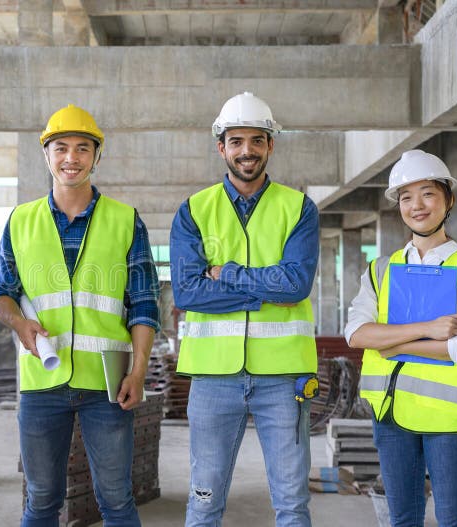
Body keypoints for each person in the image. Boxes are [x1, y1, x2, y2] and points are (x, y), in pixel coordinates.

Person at [0, 104, 160, 526]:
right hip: (42, 382)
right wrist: (18, 322)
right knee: (42, 500)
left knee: (117, 499)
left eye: (83, 148)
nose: (71, 158)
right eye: (61, 147)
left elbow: (144, 304)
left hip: (108, 383)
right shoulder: (20, 221)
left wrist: (137, 373)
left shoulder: (125, 220)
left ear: (96, 157)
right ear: (46, 155)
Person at [170, 92, 320, 527]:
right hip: (214, 378)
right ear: (222, 147)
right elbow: (187, 292)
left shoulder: (299, 209)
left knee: (293, 504)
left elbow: (295, 284)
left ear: (271, 145)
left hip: (283, 378)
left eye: (256, 140)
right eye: (236, 141)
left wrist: (228, 273)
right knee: (203, 503)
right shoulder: (194, 211)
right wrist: (263, 290)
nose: (247, 150)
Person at [344, 149, 457, 527]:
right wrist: (427, 330)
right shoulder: (381, 271)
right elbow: (355, 334)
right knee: (402, 520)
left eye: (427, 193)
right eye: (406, 197)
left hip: (450, 420)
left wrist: (389, 344)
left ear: (449, 200)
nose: (417, 205)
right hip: (392, 415)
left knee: (453, 521)